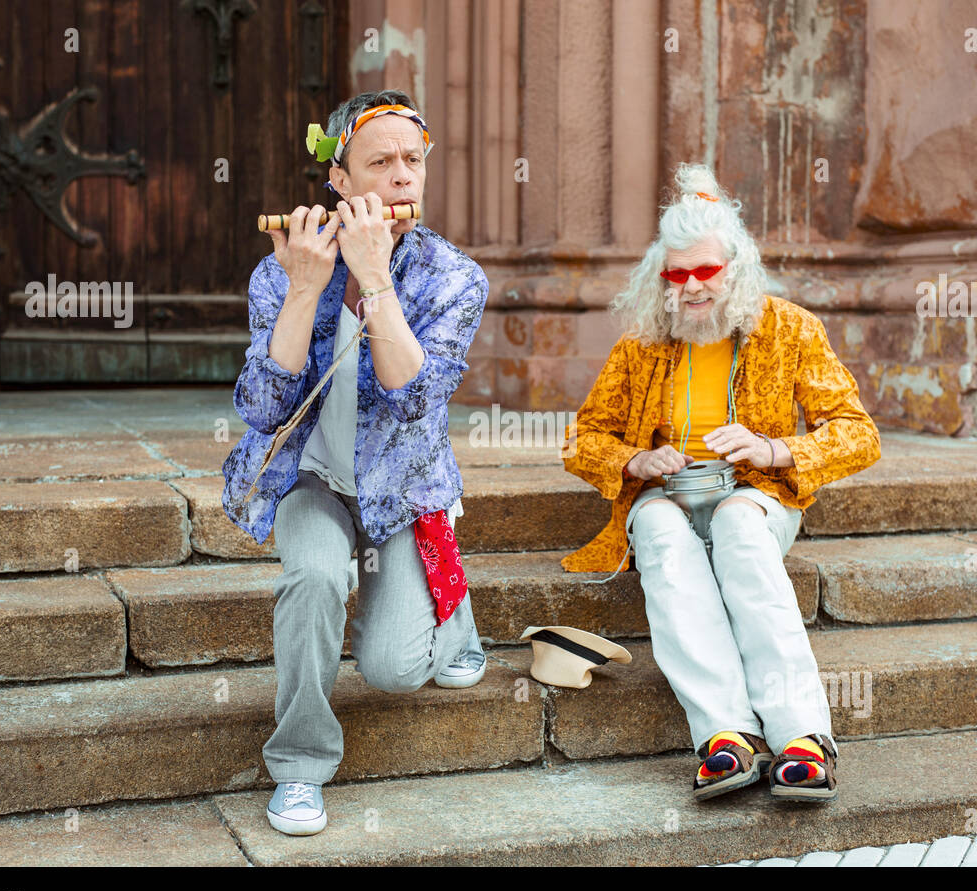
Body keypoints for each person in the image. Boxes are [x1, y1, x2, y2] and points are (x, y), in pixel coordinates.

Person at [560, 163, 881, 803]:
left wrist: (773, 448)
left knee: (737, 525)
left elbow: (858, 432)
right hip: (669, 498)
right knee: (652, 526)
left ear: (736, 266)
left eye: (706, 271)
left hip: (756, 496)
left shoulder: (789, 329)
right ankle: (724, 736)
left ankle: (802, 737)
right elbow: (582, 439)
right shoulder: (642, 343)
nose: (692, 287)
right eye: (676, 274)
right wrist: (633, 462)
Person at [222, 90, 489, 835]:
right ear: (339, 179)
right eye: (381, 162)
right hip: (316, 480)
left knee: (394, 671)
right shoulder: (283, 268)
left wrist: (375, 280)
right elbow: (262, 408)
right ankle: (301, 767)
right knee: (312, 575)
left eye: (414, 160)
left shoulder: (453, 278)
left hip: (401, 487)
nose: (402, 176)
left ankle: (452, 610)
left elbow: (413, 400)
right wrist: (307, 290)